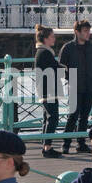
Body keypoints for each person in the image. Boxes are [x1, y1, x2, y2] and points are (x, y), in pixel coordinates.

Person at [59, 20, 92, 155]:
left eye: (89, 31)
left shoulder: (91, 47)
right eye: (85, 31)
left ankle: (81, 143)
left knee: (84, 116)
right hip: (74, 85)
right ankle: (65, 143)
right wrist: (69, 78)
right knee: (73, 115)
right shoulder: (68, 47)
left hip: (89, 85)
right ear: (77, 32)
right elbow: (61, 65)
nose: (88, 34)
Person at [35, 25, 63, 158]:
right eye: (52, 36)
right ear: (45, 39)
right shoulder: (45, 52)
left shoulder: (42, 52)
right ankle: (47, 147)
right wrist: (66, 69)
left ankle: (45, 145)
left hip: (45, 88)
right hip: (48, 89)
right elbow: (54, 68)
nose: (54, 39)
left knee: (48, 117)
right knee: (53, 118)